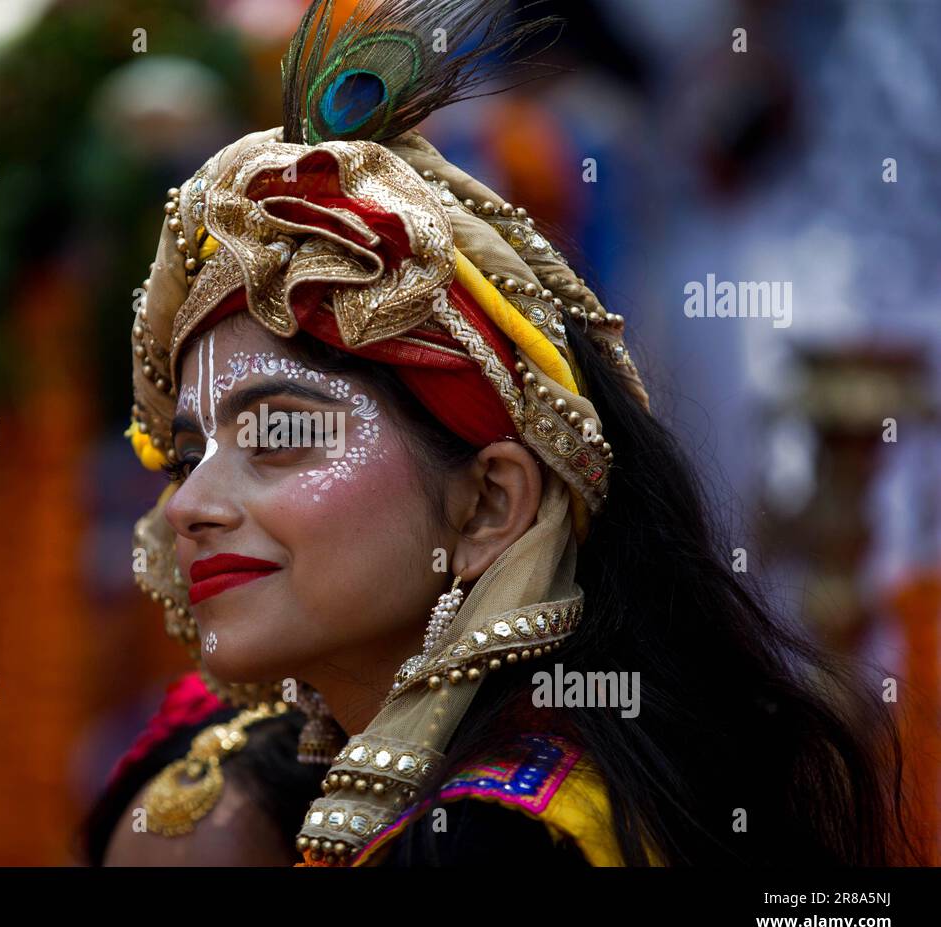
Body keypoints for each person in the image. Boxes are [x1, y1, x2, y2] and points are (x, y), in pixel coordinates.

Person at [99, 0, 921, 867]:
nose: (189, 503)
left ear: (490, 504)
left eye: (280, 433)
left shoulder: (501, 844)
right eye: (189, 454)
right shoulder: (283, 792)